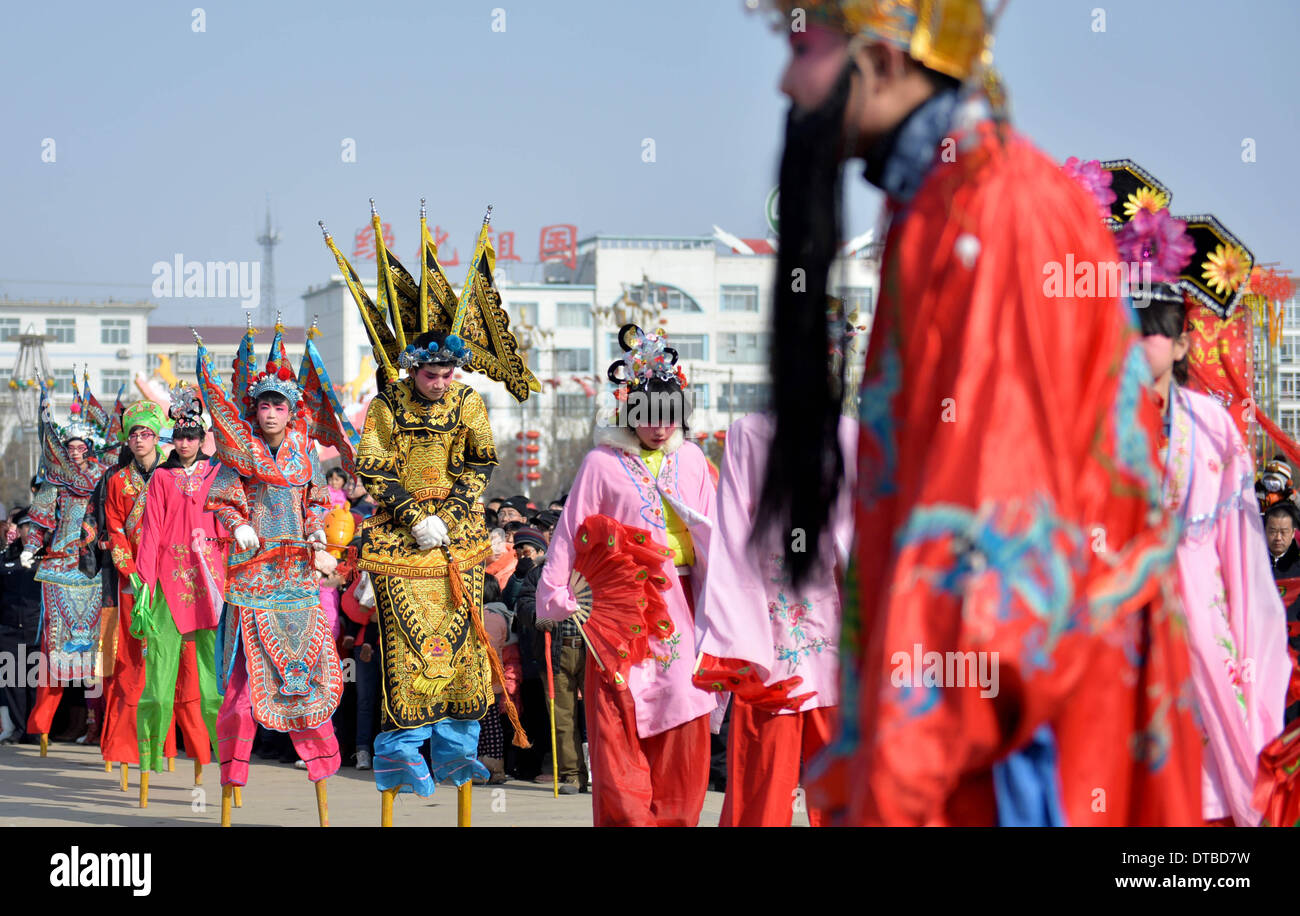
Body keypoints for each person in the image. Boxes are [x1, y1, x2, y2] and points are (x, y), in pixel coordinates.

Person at [754, 1, 1201, 825]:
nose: (787, 77)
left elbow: (992, 538)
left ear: (885, 59)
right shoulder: (938, 206)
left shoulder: (996, 210)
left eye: (803, 43)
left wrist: (902, 775)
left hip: (1022, 732)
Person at [536, 323, 719, 826]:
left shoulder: (693, 459)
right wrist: (555, 592)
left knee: (687, 707)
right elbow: (572, 529)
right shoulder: (602, 462)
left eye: (670, 415)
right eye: (648, 415)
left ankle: (677, 818)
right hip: (619, 610)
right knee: (617, 715)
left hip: (682, 601)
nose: (660, 426)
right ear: (629, 412)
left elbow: (716, 533)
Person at [196, 322, 348, 825]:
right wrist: (236, 521)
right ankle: (232, 775)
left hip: (298, 581)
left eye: (279, 406)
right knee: (240, 699)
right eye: (262, 405)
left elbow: (315, 501)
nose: (270, 413)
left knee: (308, 692)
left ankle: (325, 779)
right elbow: (222, 498)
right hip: (254, 583)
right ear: (253, 409)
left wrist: (317, 534)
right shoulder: (240, 454)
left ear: (290, 411)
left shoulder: (305, 451)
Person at [695, 410, 856, 826]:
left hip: (838, 627)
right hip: (767, 627)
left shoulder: (850, 432)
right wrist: (737, 630)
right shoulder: (748, 432)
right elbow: (732, 529)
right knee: (762, 775)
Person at [132, 385, 227, 779]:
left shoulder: (219, 474)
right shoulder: (161, 478)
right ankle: (152, 754)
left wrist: (229, 570)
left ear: (202, 437)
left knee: (213, 679)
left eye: (191, 436)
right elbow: (150, 529)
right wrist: (144, 581)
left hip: (211, 582)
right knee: (158, 674)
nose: (185, 442)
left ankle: (226, 757)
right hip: (168, 583)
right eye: (179, 436)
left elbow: (228, 522)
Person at [21, 392, 107, 750]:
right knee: (54, 649)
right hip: (58, 568)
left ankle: (99, 726)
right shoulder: (54, 480)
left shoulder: (105, 476)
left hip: (97, 571)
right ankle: (42, 724)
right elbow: (40, 520)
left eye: (79, 444)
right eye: (68, 445)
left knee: (101, 654)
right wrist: (29, 547)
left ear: (91, 446)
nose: (73, 450)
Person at [511, 526, 586, 793]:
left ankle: (602, 773)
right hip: (554, 653)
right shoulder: (540, 573)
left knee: (601, 717)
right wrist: (537, 617)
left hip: (592, 654)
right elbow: (524, 604)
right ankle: (571, 774)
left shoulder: (593, 573)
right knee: (563, 718)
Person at [0, 502, 42, 745]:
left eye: (33, 527)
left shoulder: (46, 558)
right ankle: (19, 728)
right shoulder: (7, 556)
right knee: (13, 682)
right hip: (8, 629)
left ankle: (36, 730)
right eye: (25, 526)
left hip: (35, 628)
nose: (28, 531)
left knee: (34, 683)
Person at [1265, 503, 1300, 577]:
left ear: (1293, 533)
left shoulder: (1297, 565)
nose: (1278, 538)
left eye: (1284, 532)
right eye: (1273, 531)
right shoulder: (1250, 562)